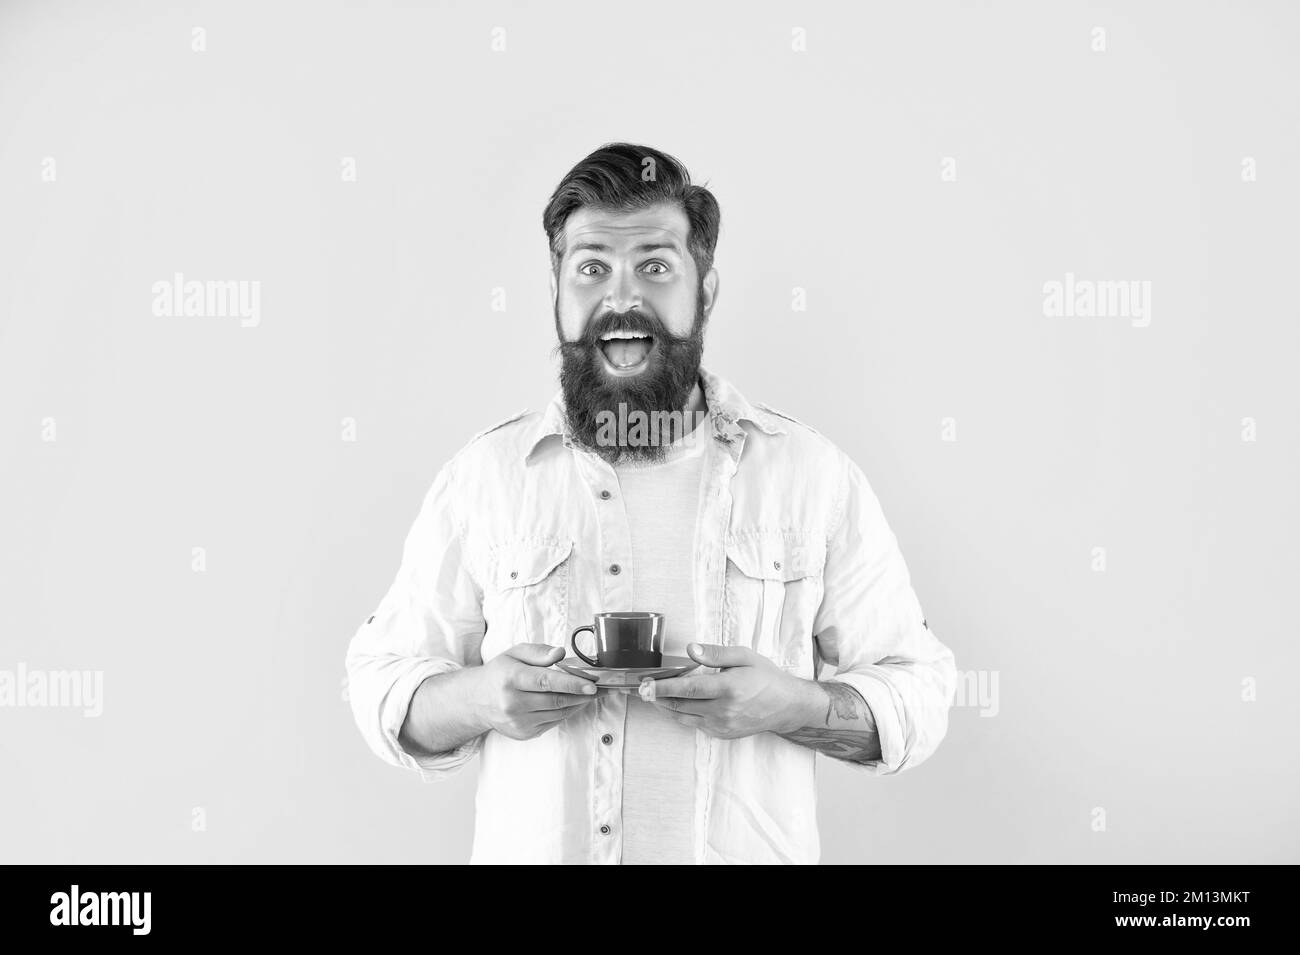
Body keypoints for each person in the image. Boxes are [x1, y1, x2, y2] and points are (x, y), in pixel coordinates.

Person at [345, 143, 957, 864]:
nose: (622, 297)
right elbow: (379, 685)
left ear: (707, 287)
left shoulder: (811, 475)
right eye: (592, 267)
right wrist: (484, 699)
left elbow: (921, 691)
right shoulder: (485, 477)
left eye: (655, 267)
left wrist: (796, 704)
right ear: (557, 288)